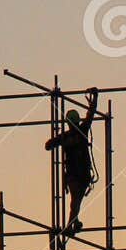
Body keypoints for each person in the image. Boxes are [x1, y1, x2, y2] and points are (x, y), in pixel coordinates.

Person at [43, 89, 100, 233]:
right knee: (76, 201)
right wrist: (95, 98)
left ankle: (73, 223)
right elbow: (48, 145)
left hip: (78, 175)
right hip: (77, 175)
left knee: (76, 201)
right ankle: (72, 223)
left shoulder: (73, 134)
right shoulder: (79, 132)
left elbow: (49, 145)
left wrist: (95, 98)